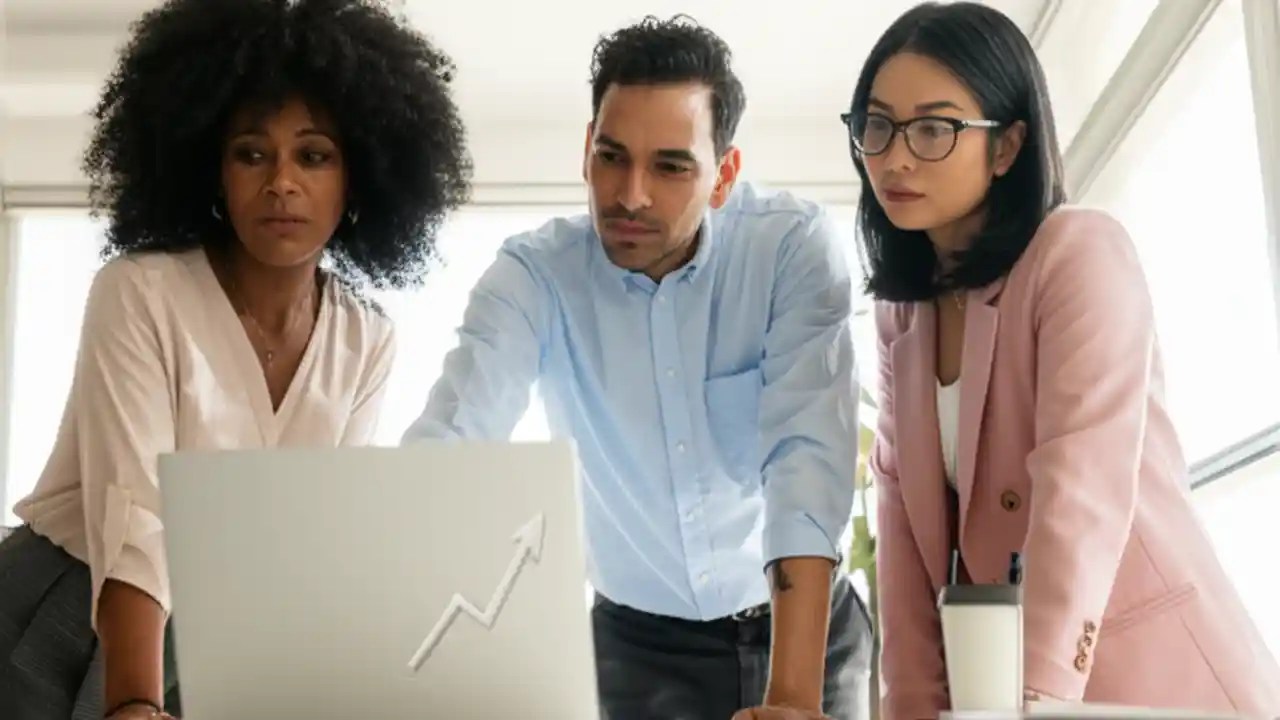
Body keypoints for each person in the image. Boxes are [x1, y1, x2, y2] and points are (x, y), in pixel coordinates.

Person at [0, 1, 471, 718]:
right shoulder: (139, 293)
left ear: (359, 178)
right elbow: (137, 519)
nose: (281, 181)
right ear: (213, 171)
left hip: (208, 639)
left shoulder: (365, 338)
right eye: (251, 153)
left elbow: (311, 547)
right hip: (60, 612)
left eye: (313, 156)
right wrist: (132, 704)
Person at [402, 15, 871, 720]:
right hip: (636, 649)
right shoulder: (535, 276)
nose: (630, 195)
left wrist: (795, 699)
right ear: (586, 149)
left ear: (723, 176)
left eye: (670, 167)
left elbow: (804, 461)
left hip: (806, 632)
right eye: (612, 157)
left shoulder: (788, 248)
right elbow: (454, 433)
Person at [847, 3, 1280, 719]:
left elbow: (1080, 495)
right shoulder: (903, 313)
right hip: (1008, 690)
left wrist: (1038, 703)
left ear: (1007, 146)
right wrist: (912, 709)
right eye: (877, 125)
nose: (894, 157)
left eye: (933, 129)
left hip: (1157, 680)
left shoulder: (1077, 252)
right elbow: (903, 534)